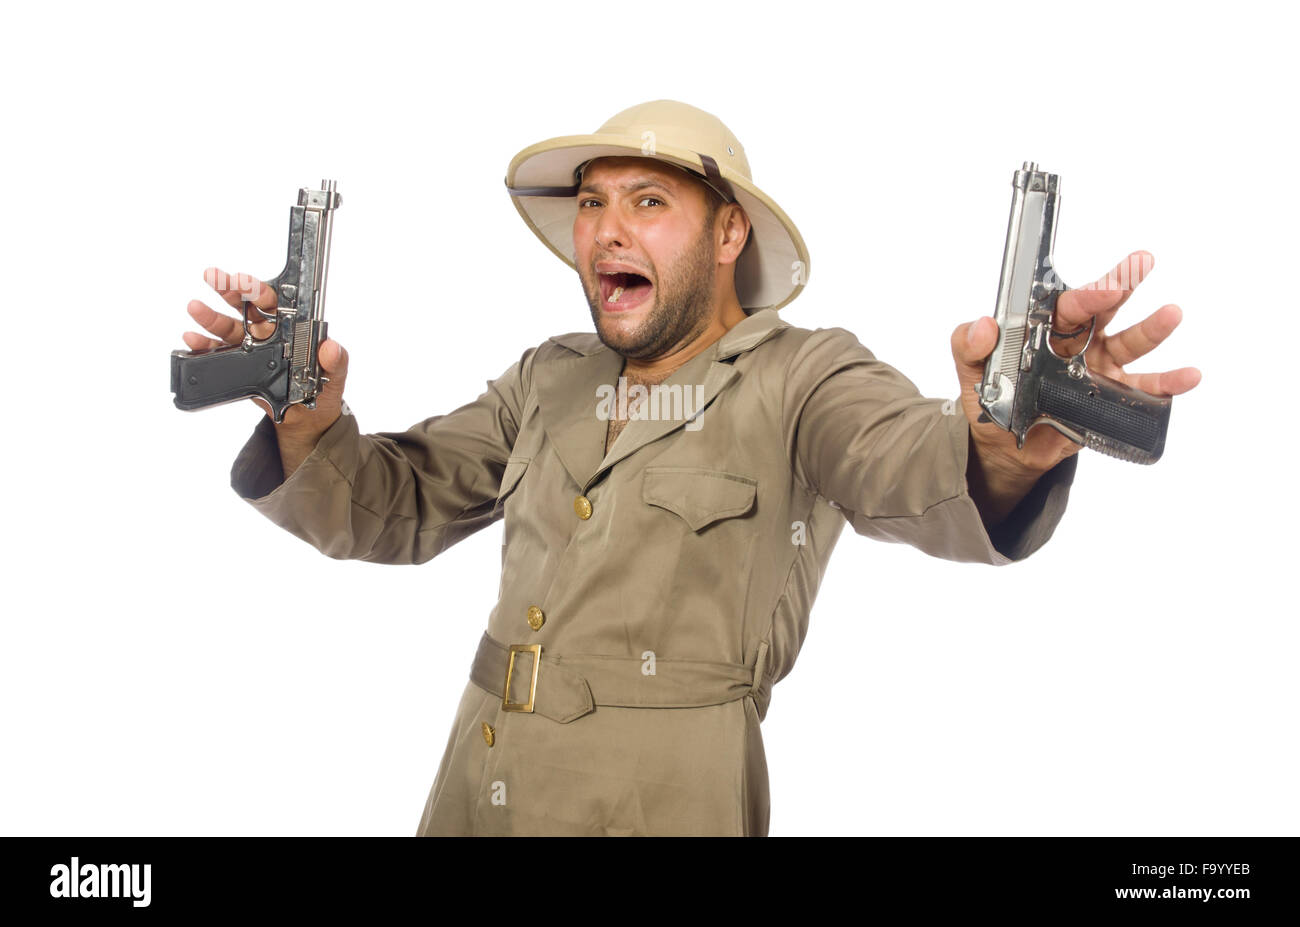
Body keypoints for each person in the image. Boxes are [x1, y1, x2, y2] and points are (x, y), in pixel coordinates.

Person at [182, 100, 1201, 835]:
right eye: (589, 204)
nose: (605, 229)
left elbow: (910, 465)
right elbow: (390, 508)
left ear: (726, 233)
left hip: (663, 802)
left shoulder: (806, 376)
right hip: (474, 785)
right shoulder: (548, 377)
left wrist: (997, 442)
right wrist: (308, 422)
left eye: (645, 201)